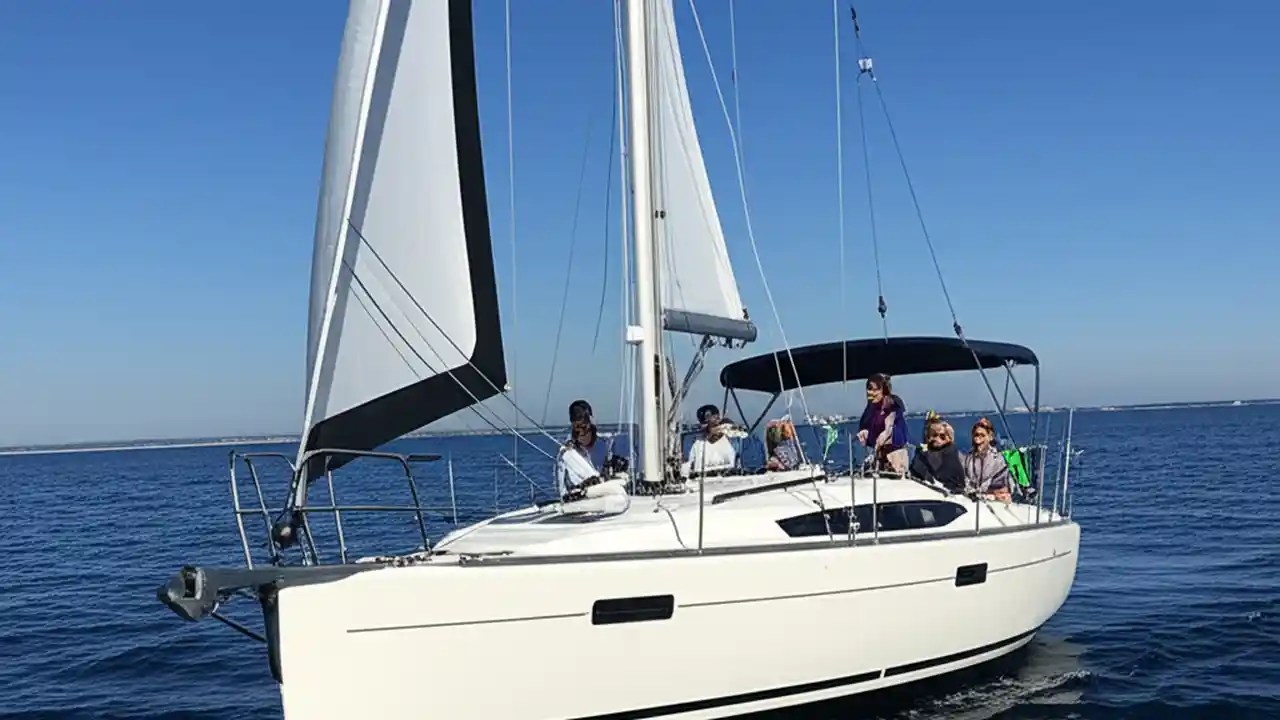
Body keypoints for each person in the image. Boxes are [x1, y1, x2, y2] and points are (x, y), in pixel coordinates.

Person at [856, 373, 909, 474]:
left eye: (875, 389)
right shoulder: (870, 408)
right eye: (869, 389)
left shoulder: (894, 405)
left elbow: (891, 426)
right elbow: (865, 427)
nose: (870, 392)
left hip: (895, 456)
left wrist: (887, 433)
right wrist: (864, 432)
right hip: (878, 457)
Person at [909, 418, 966, 493]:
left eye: (942, 436)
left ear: (949, 437)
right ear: (928, 436)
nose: (937, 439)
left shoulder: (955, 455)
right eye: (934, 435)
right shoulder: (920, 454)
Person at [962, 417, 1011, 502]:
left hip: (993, 505)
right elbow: (964, 481)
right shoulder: (968, 459)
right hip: (972, 503)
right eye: (976, 435)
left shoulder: (998, 460)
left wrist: (986, 494)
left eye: (982, 435)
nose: (978, 439)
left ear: (990, 437)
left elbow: (1002, 488)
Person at [683, 404, 736, 477]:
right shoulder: (697, 444)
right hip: (702, 483)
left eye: (713, 425)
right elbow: (688, 467)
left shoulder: (730, 439)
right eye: (705, 425)